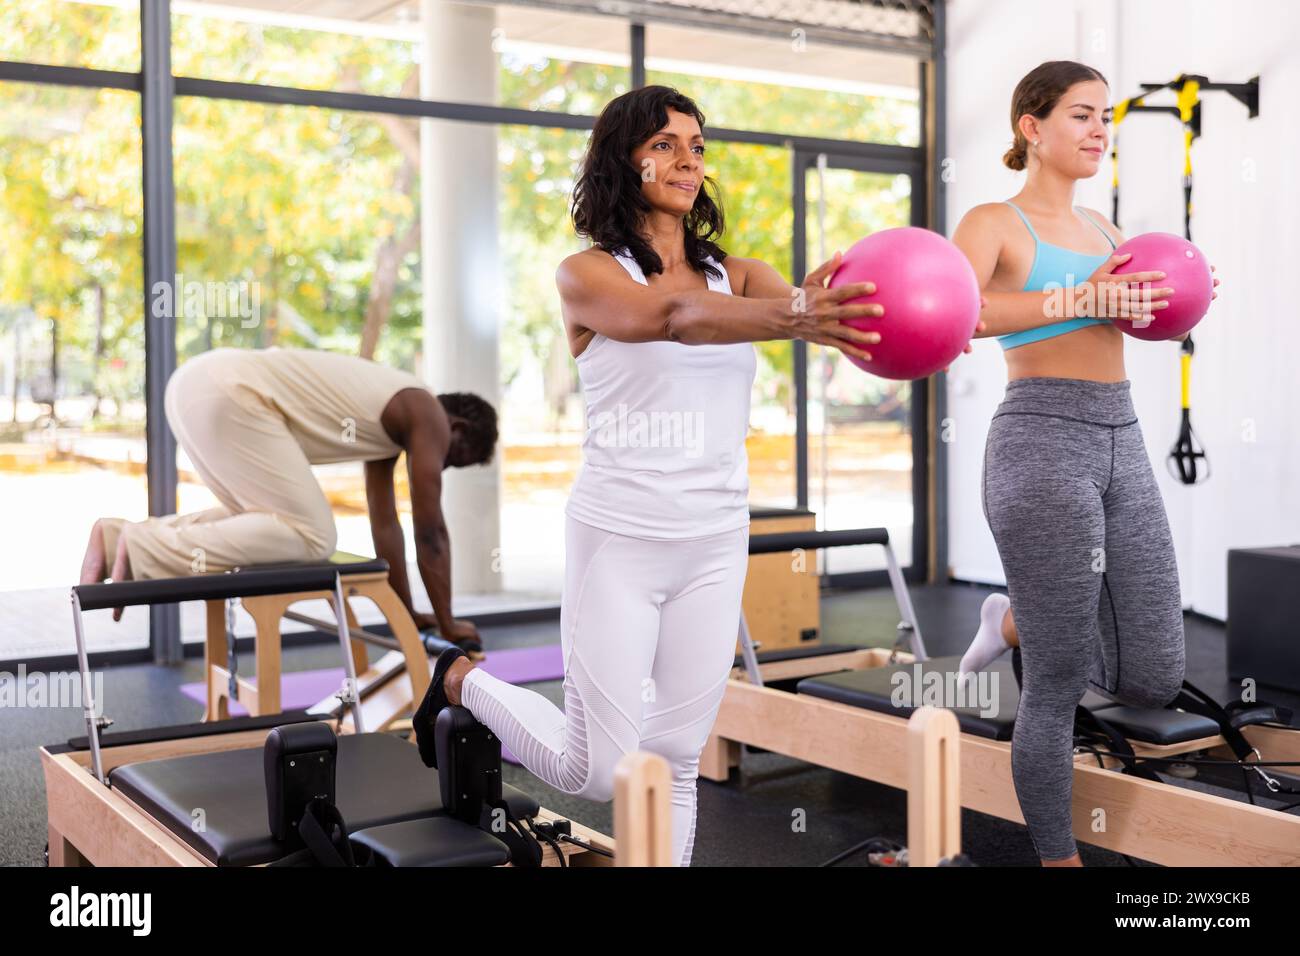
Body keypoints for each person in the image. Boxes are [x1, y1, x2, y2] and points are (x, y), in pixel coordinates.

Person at [412, 85, 975, 867]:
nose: (687, 161)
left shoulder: (740, 275)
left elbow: (824, 316)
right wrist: (795, 315)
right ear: (623, 157)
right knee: (597, 769)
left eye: (698, 147)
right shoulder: (587, 275)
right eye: (666, 144)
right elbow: (671, 318)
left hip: (713, 540)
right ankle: (462, 680)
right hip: (620, 538)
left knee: (675, 753)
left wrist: (927, 325)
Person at [951, 60, 1219, 866]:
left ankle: (1009, 617)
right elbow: (956, 313)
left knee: (1155, 673)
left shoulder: (1108, 230)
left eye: (1105, 117)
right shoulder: (993, 222)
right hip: (1039, 439)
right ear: (1031, 127)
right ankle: (1058, 856)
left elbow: (1141, 317)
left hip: (1122, 435)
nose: (1100, 130)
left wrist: (1185, 298)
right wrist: (1080, 299)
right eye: (1080, 115)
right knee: (1060, 677)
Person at [78, 346, 495, 647]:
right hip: (230, 393)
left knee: (261, 519)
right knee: (314, 535)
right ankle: (143, 545)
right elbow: (430, 532)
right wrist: (448, 622)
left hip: (197, 386)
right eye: (457, 457)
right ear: (455, 426)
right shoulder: (428, 414)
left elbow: (386, 527)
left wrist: (408, 617)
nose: (444, 465)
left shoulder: (390, 421)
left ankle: (118, 539)